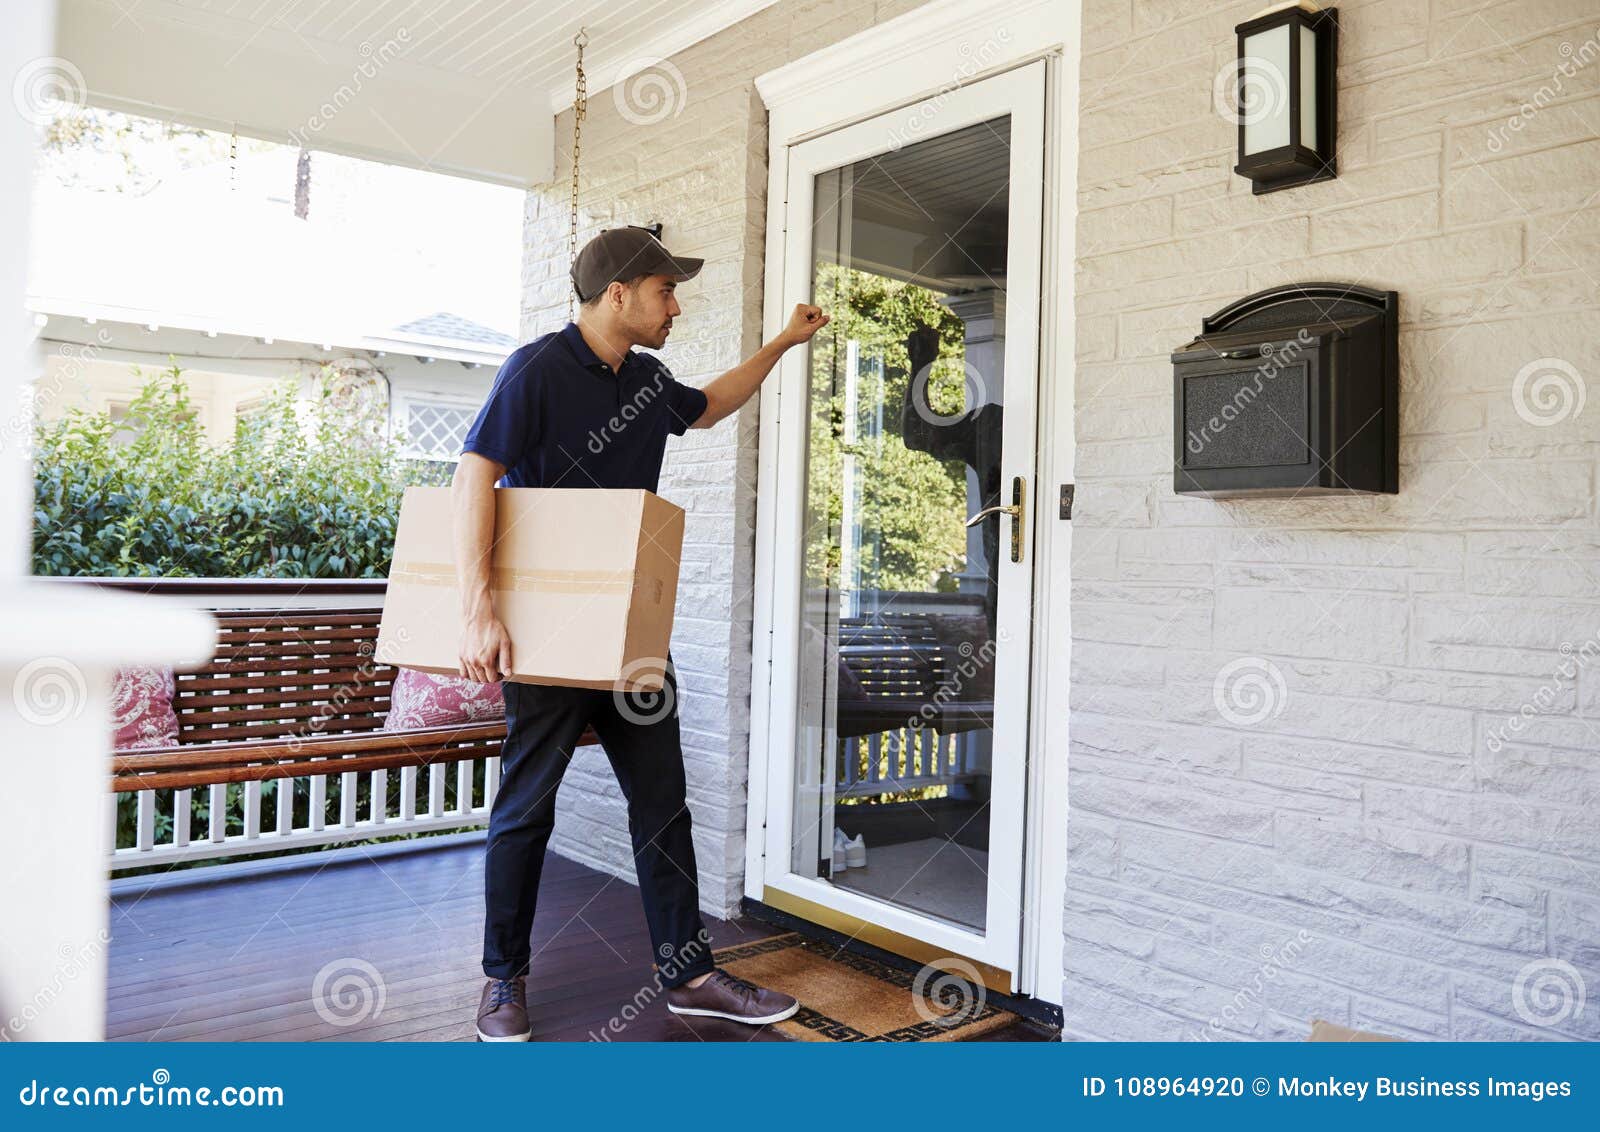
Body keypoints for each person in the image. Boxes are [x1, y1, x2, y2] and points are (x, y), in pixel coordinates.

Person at [453, 225, 829, 1041]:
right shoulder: (537, 369)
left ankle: (689, 973)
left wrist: (784, 343)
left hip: (631, 635)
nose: (676, 306)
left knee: (662, 806)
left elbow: (711, 405)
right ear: (617, 293)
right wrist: (478, 606)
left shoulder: (649, 379)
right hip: (548, 636)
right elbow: (474, 473)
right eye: (666, 290)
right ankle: (503, 979)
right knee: (526, 810)